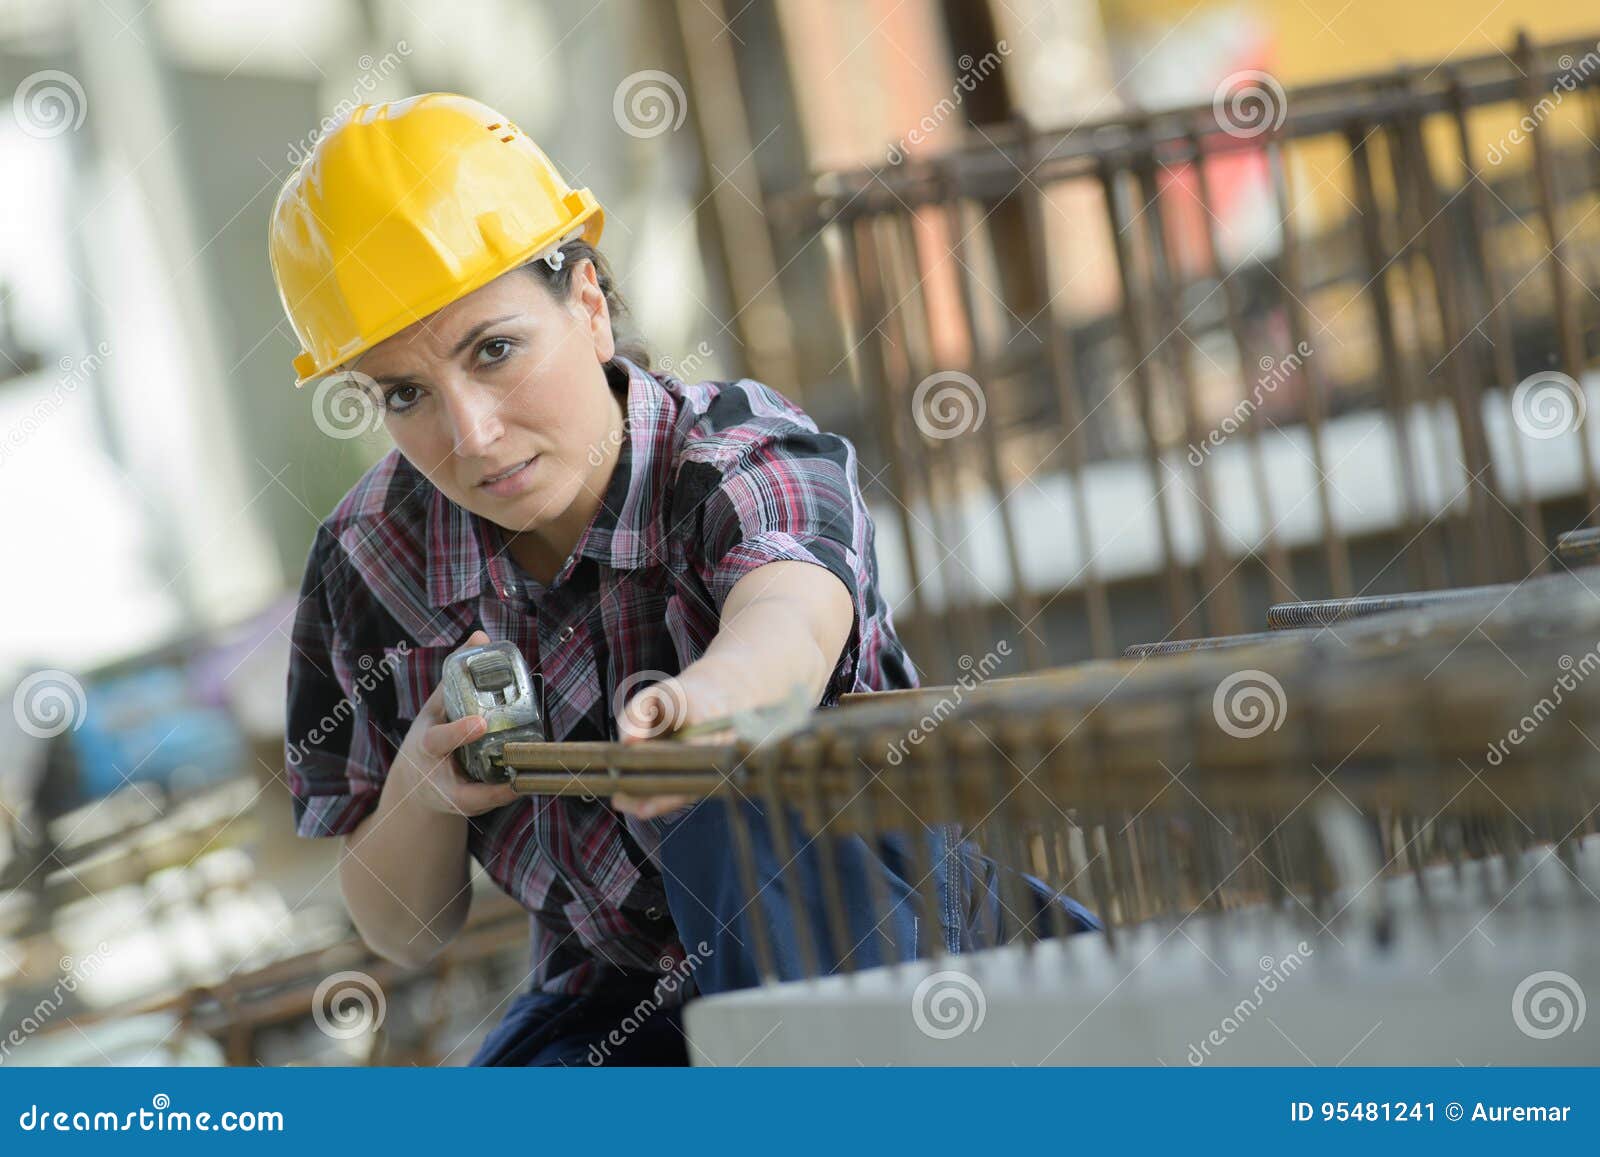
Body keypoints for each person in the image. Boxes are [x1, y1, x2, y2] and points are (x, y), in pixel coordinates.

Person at [269, 93, 1097, 1067]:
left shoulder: (736, 454)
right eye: (405, 393)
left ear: (587, 305)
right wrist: (423, 792)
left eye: (493, 350)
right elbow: (404, 928)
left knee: (727, 807)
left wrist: (704, 704)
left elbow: (791, 618)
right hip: (620, 996)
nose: (470, 434)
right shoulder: (370, 560)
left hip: (889, 950)